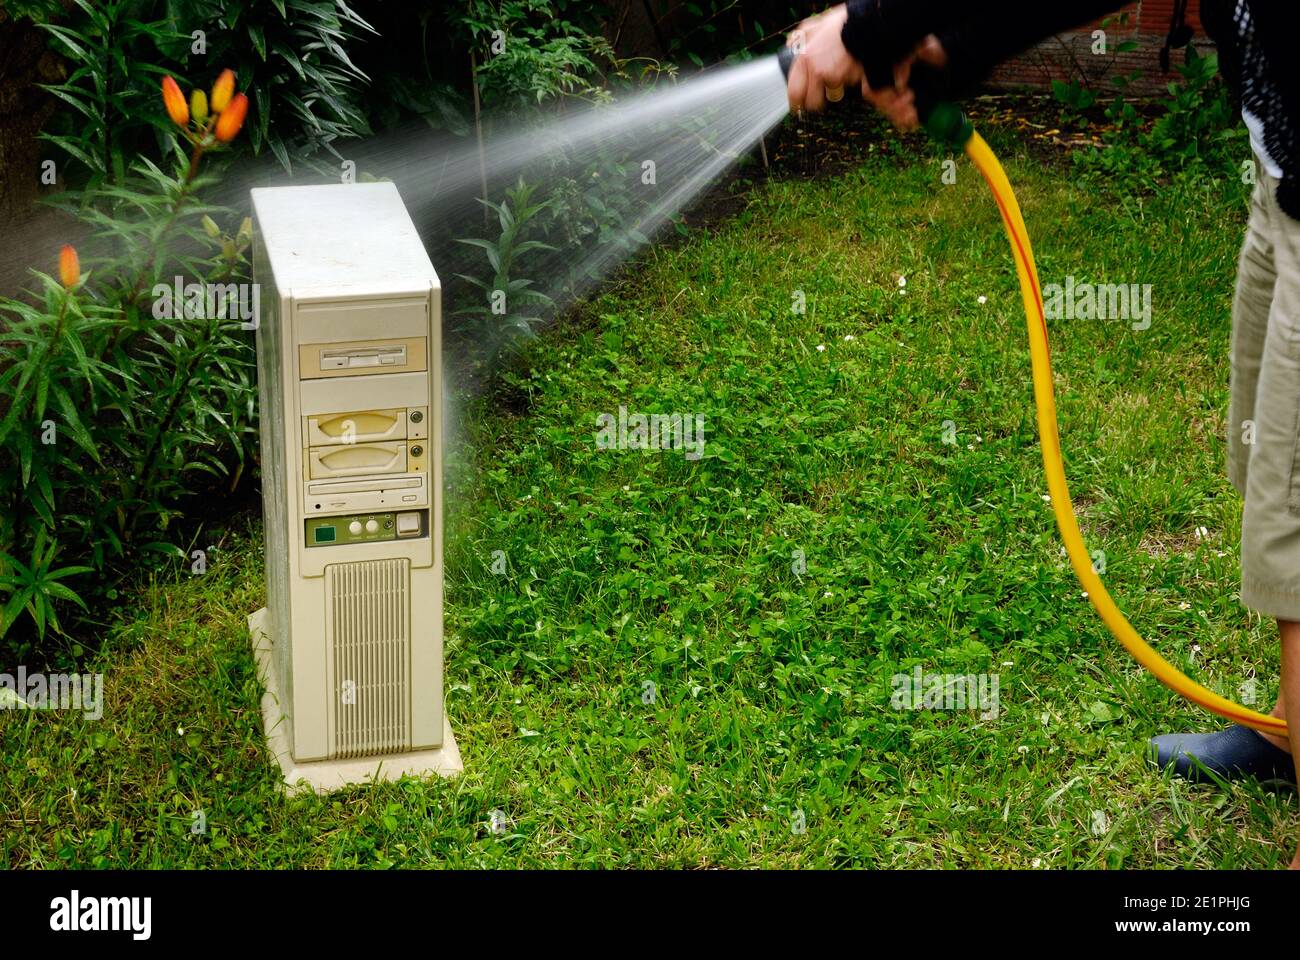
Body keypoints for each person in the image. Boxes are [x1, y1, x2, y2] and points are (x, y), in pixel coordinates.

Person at [786, 0, 1300, 869]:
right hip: (1281, 171)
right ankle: (1290, 740)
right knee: (1271, 473)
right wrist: (948, 40)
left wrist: (877, 23)